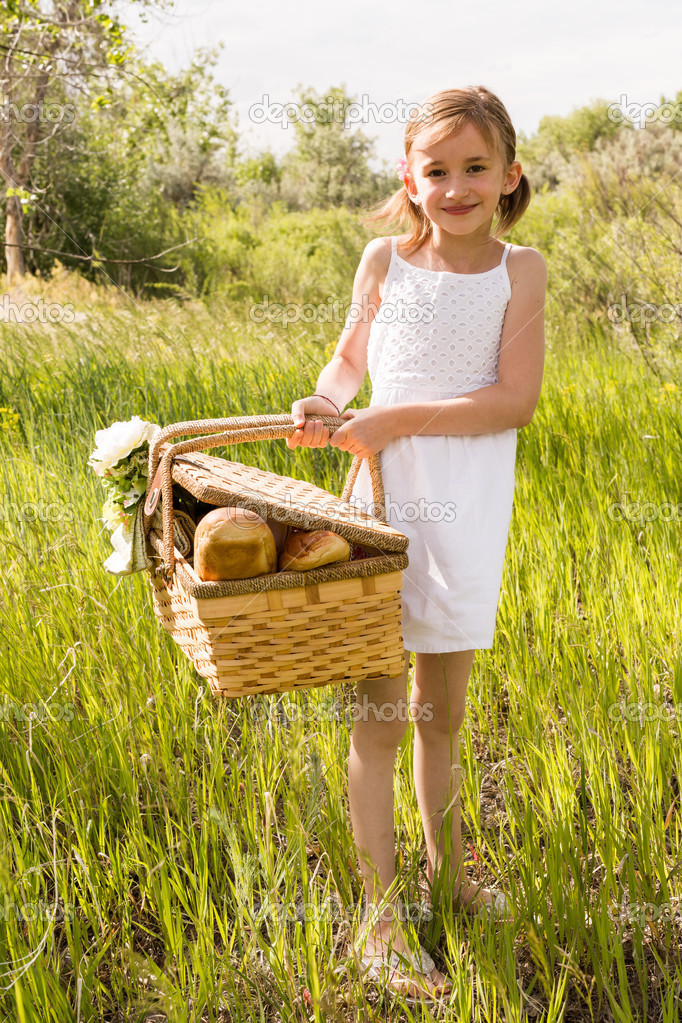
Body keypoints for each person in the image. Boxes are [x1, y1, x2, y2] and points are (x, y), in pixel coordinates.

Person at [286, 85, 546, 1006]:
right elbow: (348, 359)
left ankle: (448, 876)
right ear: (410, 175)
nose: (456, 186)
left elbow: (513, 400)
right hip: (386, 496)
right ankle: (380, 916)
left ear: (510, 175)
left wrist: (393, 413)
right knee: (383, 712)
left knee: (445, 712)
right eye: (436, 169)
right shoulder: (383, 259)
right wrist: (328, 400)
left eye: (476, 167)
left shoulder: (522, 271)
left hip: (469, 504)